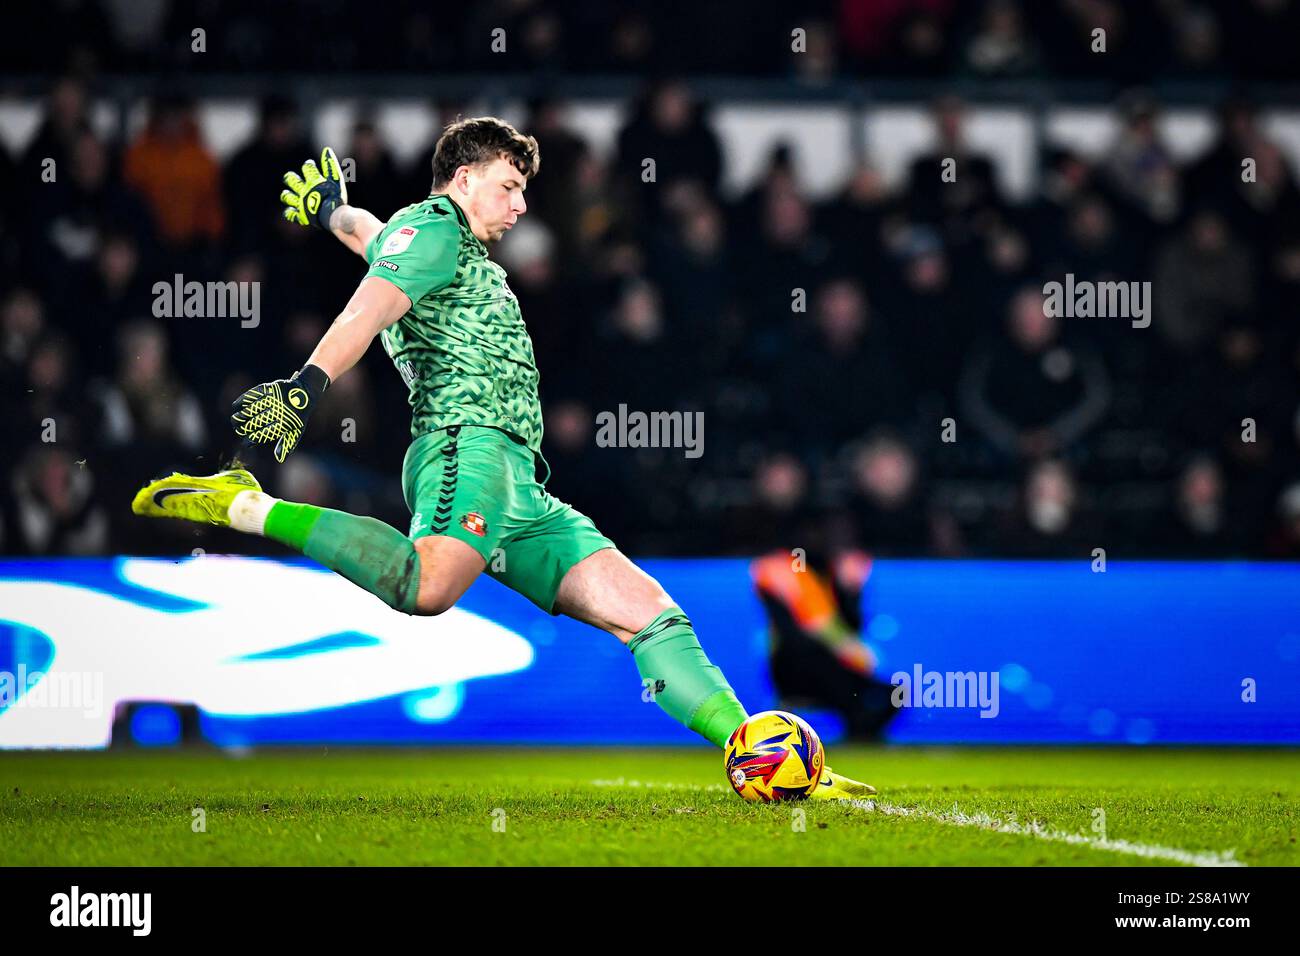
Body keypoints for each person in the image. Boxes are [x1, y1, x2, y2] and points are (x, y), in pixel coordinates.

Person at [130, 117, 874, 799]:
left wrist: (334, 211)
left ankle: (760, 753)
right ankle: (247, 503)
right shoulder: (435, 227)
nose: (520, 207)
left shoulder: (426, 239)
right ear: (462, 179)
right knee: (425, 587)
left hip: (521, 482)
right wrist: (306, 387)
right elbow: (369, 301)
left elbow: (374, 238)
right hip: (466, 445)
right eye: (510, 186)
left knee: (653, 616)